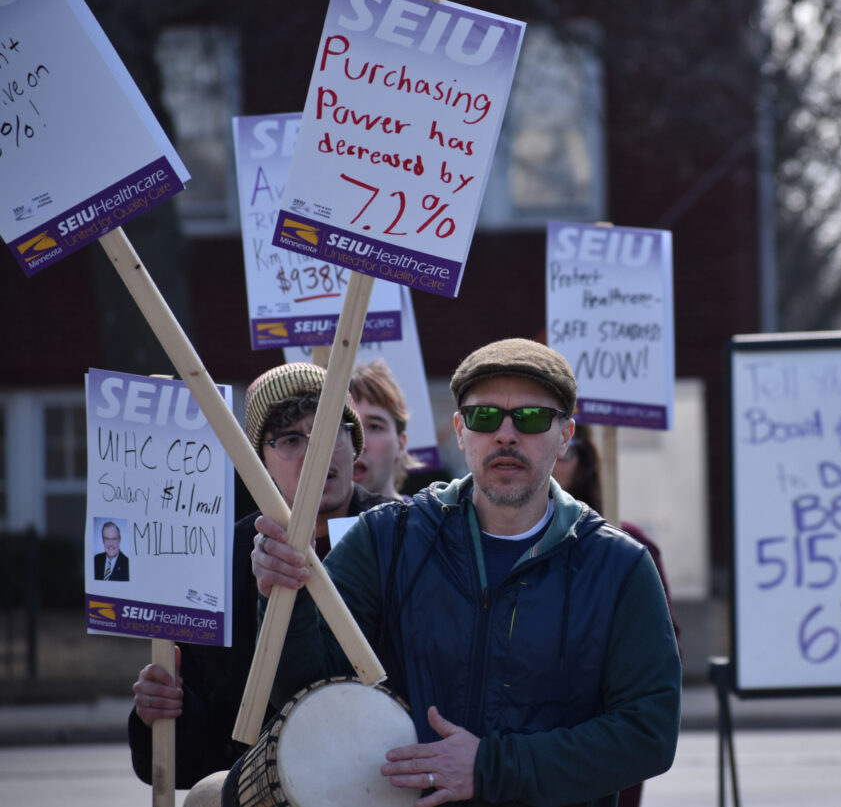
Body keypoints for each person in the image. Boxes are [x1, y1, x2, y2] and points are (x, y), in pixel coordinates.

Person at [247, 338, 682, 807]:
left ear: (566, 433)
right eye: (485, 417)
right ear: (460, 429)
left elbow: (647, 734)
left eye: (532, 418)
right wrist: (282, 598)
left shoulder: (620, 567)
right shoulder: (386, 539)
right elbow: (306, 692)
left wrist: (492, 767)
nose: (506, 435)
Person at [127, 361, 390, 790]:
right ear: (260, 461)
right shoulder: (216, 561)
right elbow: (194, 761)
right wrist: (166, 709)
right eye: (290, 439)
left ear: (354, 444)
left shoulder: (400, 534)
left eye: (331, 428)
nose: (316, 450)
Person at [551, 423, 683, 807]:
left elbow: (662, 659)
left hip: (603, 753)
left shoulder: (629, 548)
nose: (549, 460)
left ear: (588, 461)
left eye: (565, 450)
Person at [348, 358, 424, 501]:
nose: (358, 443)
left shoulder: (425, 522)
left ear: (401, 444)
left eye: (375, 427)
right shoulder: (302, 523)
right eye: (347, 426)